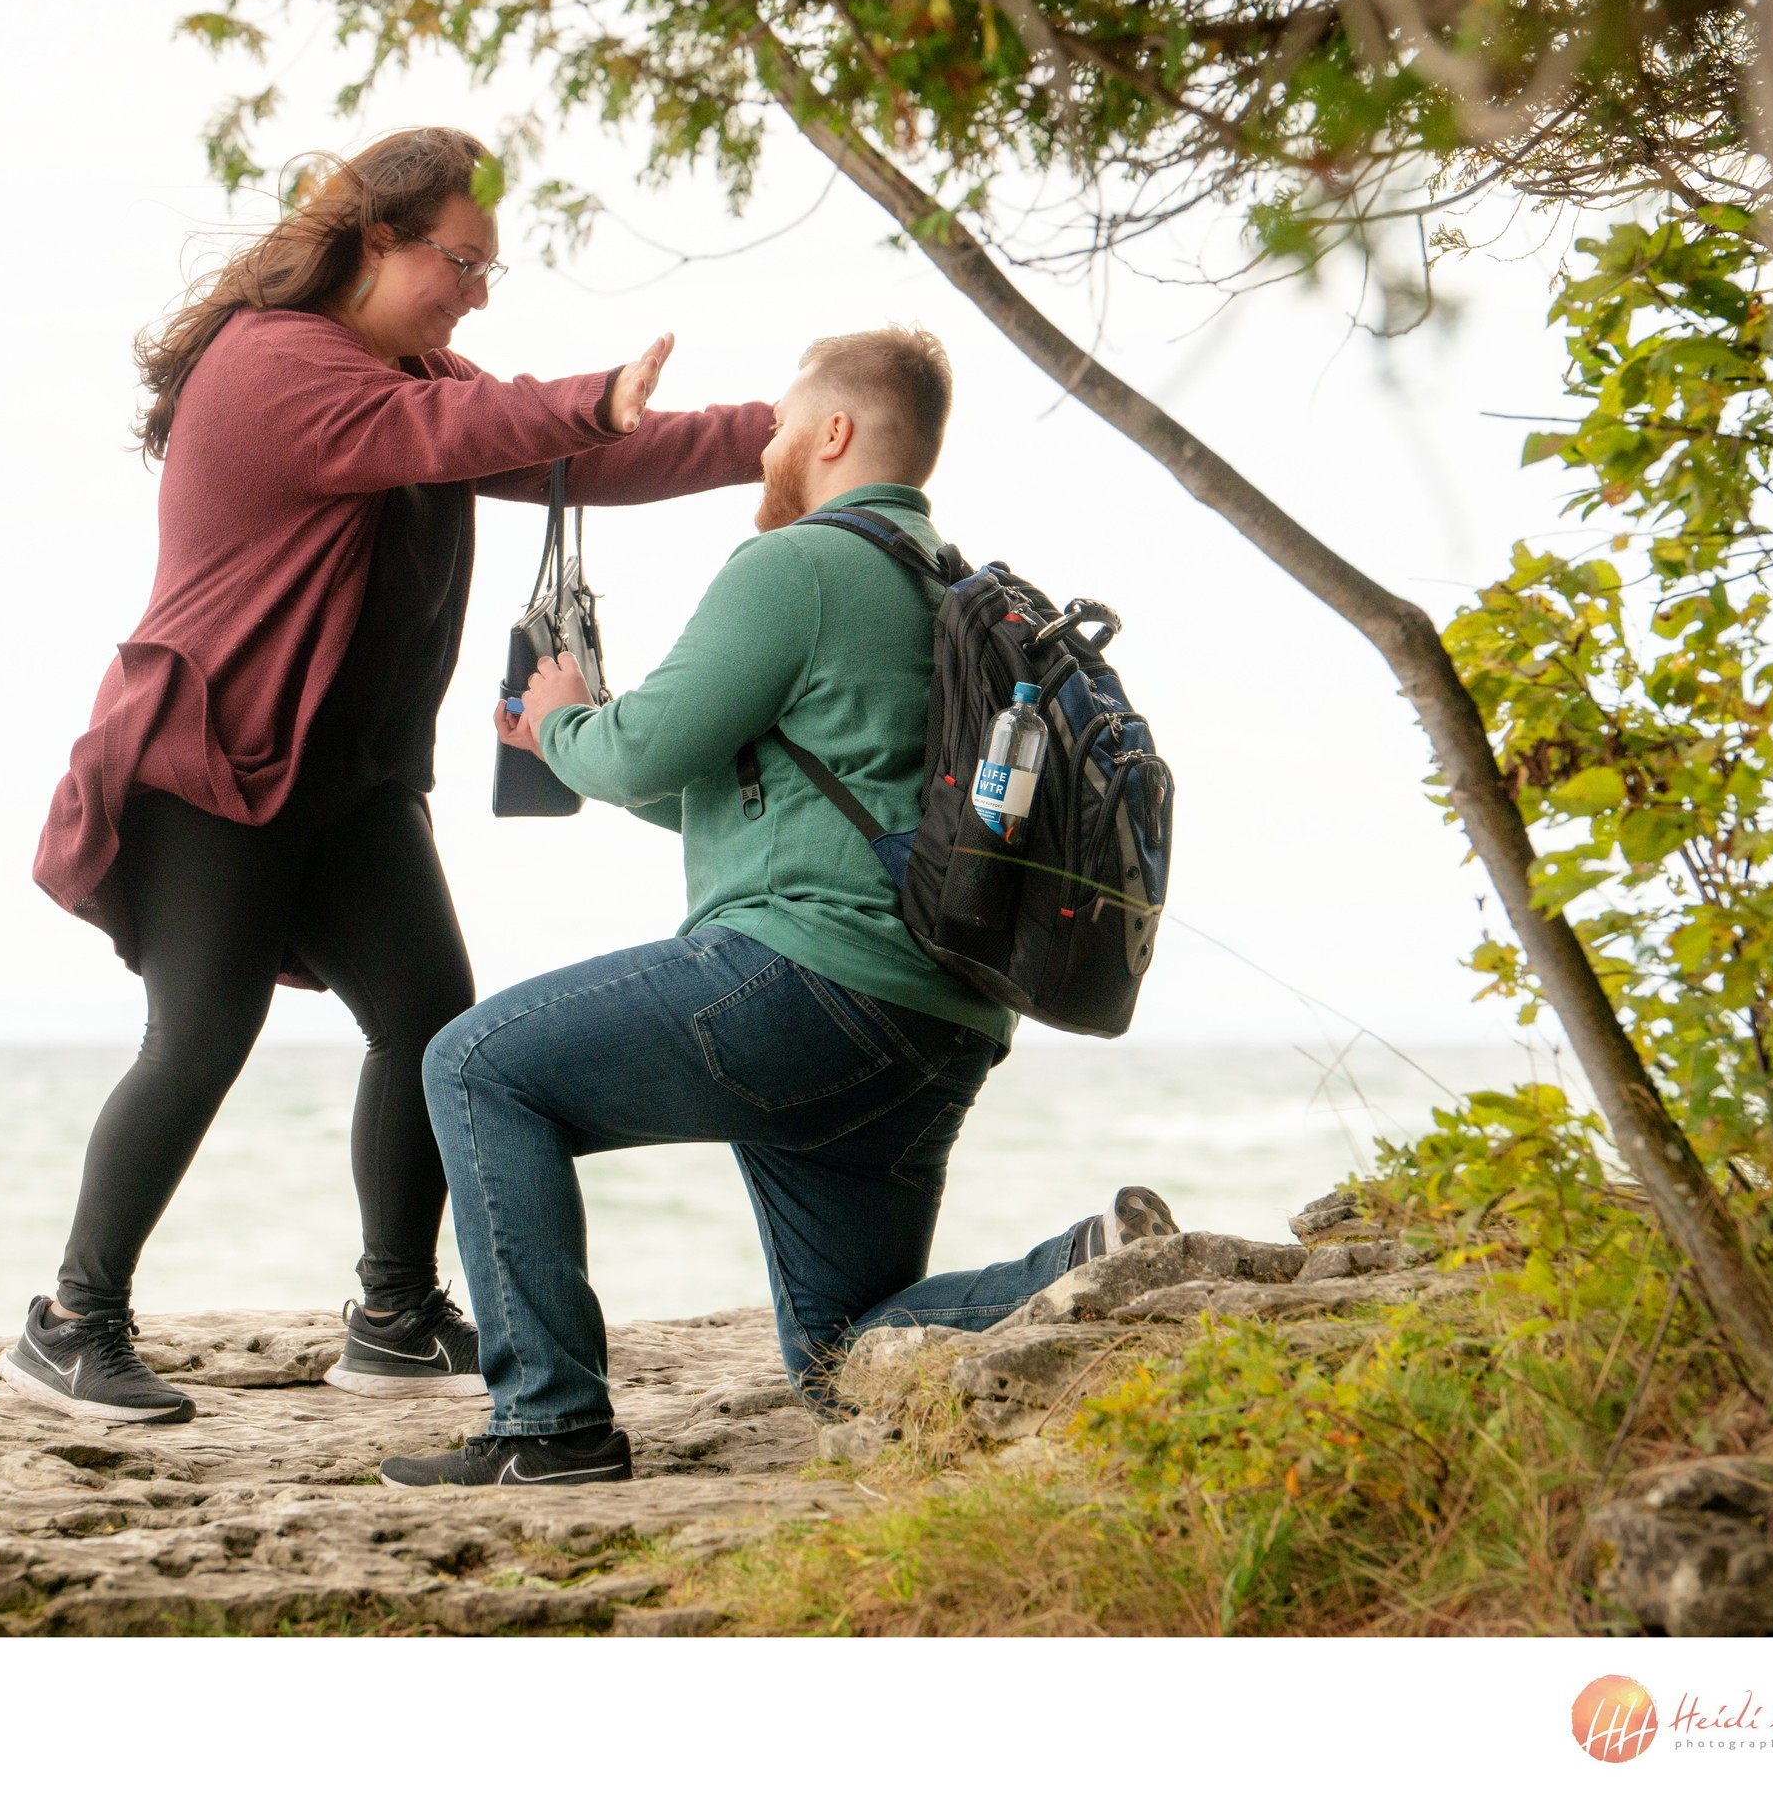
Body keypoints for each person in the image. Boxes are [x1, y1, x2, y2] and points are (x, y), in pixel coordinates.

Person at [1, 128, 775, 1425]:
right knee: (202, 1037)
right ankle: (70, 1323)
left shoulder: (403, 370)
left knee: (430, 1023)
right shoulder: (275, 366)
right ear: (376, 240)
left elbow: (561, 455)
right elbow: (466, 425)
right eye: (459, 262)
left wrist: (780, 437)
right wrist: (591, 394)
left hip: (348, 784)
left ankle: (393, 1316)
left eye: (489, 270)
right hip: (219, 760)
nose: (476, 290)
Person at [379, 326, 1176, 1487]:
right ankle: (1090, 1263)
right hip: (935, 1026)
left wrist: (564, 722)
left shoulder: (797, 566)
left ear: (836, 434)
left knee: (474, 1064)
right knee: (846, 1353)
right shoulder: (944, 587)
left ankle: (546, 1425)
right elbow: (722, 799)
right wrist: (588, 744)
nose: (765, 451)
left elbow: (643, 751)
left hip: (809, 985)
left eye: (781, 427)